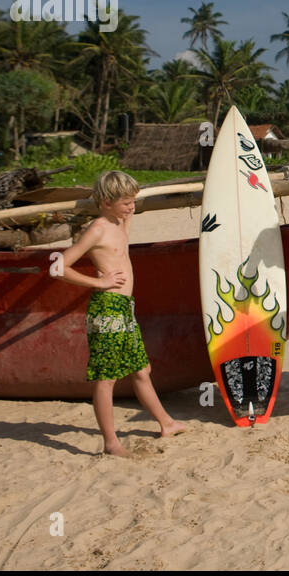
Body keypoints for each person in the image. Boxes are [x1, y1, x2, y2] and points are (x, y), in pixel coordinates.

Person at [57, 170, 185, 456]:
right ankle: (111, 443)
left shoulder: (120, 221)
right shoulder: (98, 228)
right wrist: (98, 281)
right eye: (126, 202)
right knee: (107, 378)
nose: (132, 207)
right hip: (107, 309)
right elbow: (59, 267)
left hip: (125, 309)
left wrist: (131, 199)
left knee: (142, 370)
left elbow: (130, 206)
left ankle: (166, 423)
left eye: (133, 201)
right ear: (104, 202)